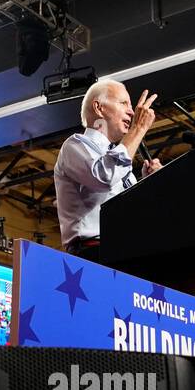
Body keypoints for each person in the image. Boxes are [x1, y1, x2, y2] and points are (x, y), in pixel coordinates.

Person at [54, 79, 161, 260]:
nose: (132, 111)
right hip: (93, 253)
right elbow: (103, 177)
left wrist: (149, 182)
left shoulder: (117, 157)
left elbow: (136, 212)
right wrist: (138, 128)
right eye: (123, 103)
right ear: (99, 108)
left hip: (127, 252)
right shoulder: (74, 145)